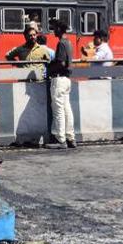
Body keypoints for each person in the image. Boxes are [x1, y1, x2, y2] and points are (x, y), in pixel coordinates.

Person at [45, 18, 76, 149]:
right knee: (67, 109)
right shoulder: (69, 42)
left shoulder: (61, 43)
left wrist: (50, 66)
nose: (53, 31)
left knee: (58, 110)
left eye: (54, 29)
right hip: (67, 79)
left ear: (59, 29)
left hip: (59, 79)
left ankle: (60, 140)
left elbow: (61, 62)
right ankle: (71, 138)